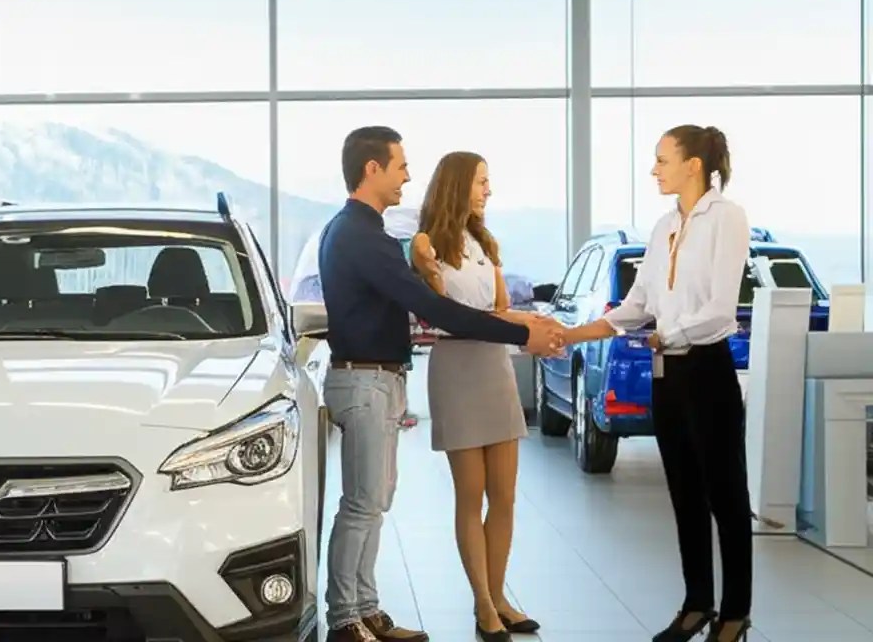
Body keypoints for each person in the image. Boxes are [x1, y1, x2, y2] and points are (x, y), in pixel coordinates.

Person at [318, 126, 564, 642]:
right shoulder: (361, 236)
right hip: (365, 381)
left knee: (373, 502)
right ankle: (346, 618)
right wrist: (520, 331)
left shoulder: (366, 233)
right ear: (373, 169)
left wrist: (520, 326)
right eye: (401, 165)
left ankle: (366, 609)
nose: (408, 174)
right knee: (364, 504)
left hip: (379, 379)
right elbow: (434, 309)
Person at [561, 125, 752, 642]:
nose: (654, 169)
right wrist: (573, 333)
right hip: (666, 374)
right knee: (684, 495)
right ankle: (696, 605)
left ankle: (734, 614)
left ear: (694, 165)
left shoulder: (727, 218)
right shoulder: (665, 225)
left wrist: (667, 332)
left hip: (707, 370)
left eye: (662, 159)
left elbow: (719, 313)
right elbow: (637, 306)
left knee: (726, 496)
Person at [410, 151, 547, 641]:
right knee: (470, 495)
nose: (489, 190)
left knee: (505, 495)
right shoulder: (425, 245)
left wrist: (529, 324)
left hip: (494, 364)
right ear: (457, 184)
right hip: (456, 366)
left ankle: (501, 596)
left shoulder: (485, 241)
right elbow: (436, 310)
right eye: (482, 181)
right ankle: (483, 604)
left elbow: (502, 308)